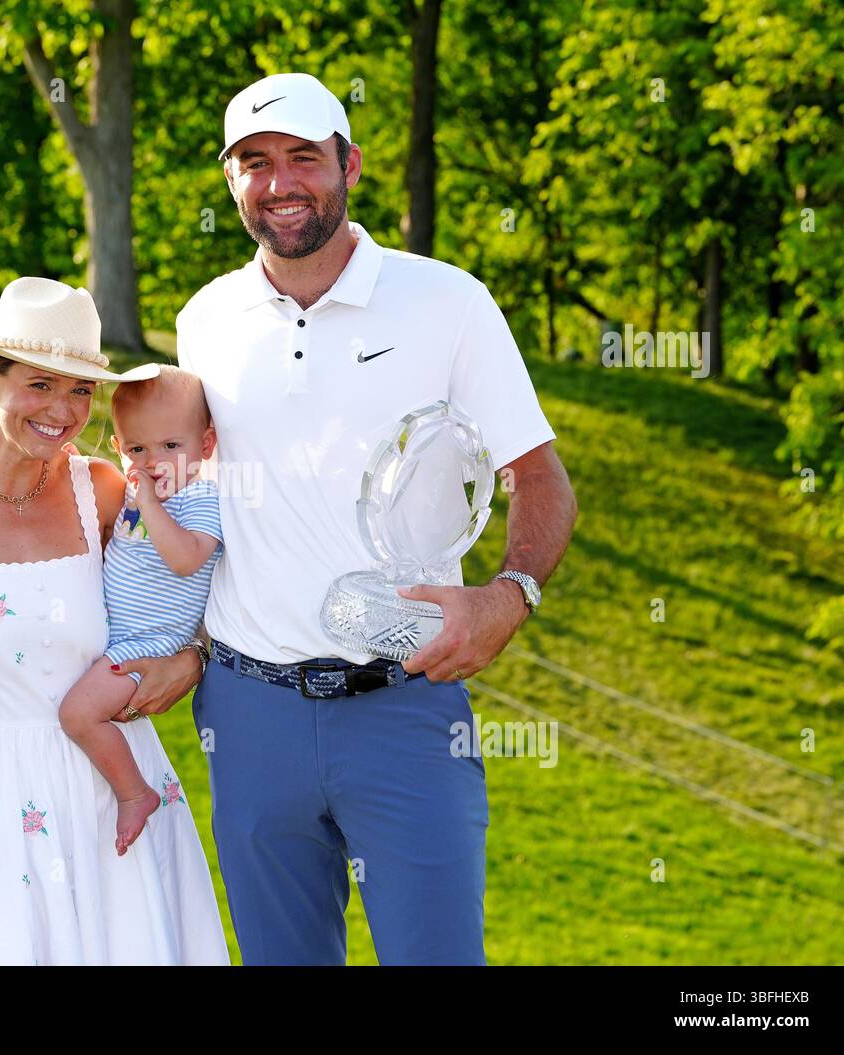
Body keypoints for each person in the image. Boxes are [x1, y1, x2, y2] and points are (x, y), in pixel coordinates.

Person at [176, 73, 578, 965]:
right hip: (245, 713)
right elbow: (186, 489)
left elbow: (542, 480)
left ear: (349, 164)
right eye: (255, 163)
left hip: (404, 707)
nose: (281, 182)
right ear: (231, 180)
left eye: (303, 158)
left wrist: (508, 597)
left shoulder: (449, 303)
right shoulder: (204, 320)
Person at [0, 276, 229, 965]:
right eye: (40, 385)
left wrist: (193, 657)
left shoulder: (107, 490)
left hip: (116, 794)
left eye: (81, 390)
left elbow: (200, 583)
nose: (64, 411)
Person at [57, 366, 222, 857]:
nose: (156, 462)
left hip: (146, 648)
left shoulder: (201, 498)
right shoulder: (137, 492)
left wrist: (148, 500)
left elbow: (187, 558)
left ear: (206, 445)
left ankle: (135, 793)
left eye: (172, 446)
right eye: (138, 450)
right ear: (120, 450)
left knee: (78, 714)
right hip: (117, 636)